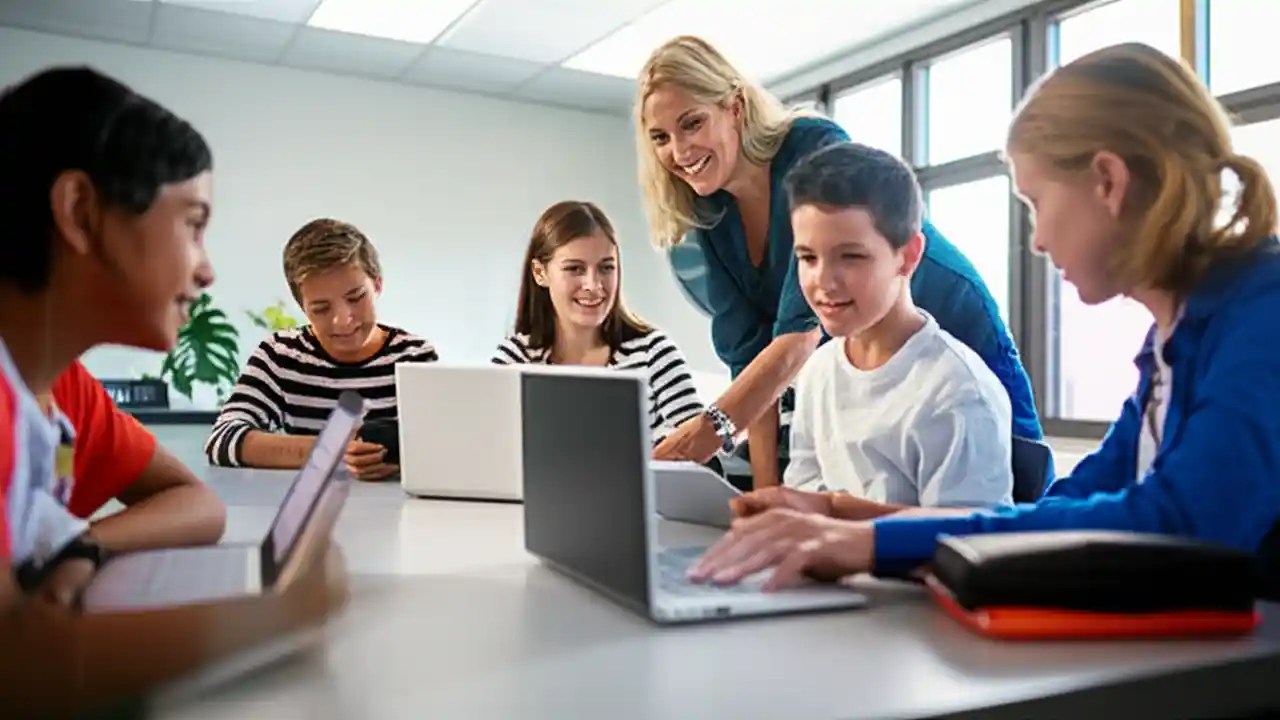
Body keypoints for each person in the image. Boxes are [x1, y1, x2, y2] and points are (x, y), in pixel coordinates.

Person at [688, 42, 1280, 594]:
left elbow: (1183, 521)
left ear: (1108, 182)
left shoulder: (1263, 310)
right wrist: (845, 516)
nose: (1039, 241)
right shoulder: (1175, 340)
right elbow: (1058, 513)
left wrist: (870, 542)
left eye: (1037, 204)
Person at [635, 35, 1041, 489]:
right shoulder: (708, 215)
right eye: (660, 138)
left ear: (734, 107)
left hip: (948, 319)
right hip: (860, 351)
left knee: (1009, 501)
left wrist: (703, 434)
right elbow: (750, 361)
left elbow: (800, 336)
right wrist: (766, 500)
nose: (679, 150)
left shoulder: (811, 148)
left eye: (692, 123)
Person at [0, 66, 227, 609]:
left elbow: (198, 503)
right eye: (193, 226)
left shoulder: (55, 385)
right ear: (81, 212)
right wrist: (283, 611)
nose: (206, 271)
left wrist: (83, 546)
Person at [772, 141, 1012, 514]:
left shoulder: (957, 392)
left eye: (851, 257)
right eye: (807, 257)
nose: (823, 281)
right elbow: (803, 497)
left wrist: (831, 517)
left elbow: (963, 545)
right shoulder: (818, 371)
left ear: (909, 256)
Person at [205, 218, 439, 481]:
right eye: (321, 309)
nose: (343, 320)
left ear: (377, 285)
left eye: (356, 298)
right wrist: (333, 451)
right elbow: (223, 440)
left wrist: (398, 458)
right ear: (302, 307)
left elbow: (439, 446)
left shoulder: (414, 357)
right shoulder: (280, 356)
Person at [492, 200, 704, 445]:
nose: (593, 285)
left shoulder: (654, 353)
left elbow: (703, 455)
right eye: (575, 269)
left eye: (606, 268)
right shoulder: (515, 357)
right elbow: (490, 448)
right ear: (540, 273)